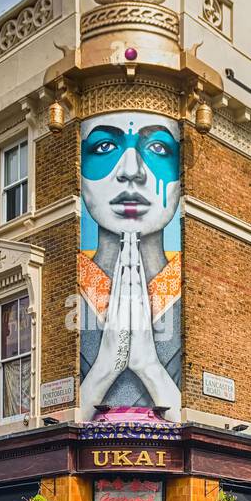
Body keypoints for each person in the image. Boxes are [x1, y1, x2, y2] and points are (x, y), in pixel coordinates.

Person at [77, 110, 184, 419]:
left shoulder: (199, 293)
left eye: (158, 149)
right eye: (105, 147)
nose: (131, 170)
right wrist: (104, 370)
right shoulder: (61, 286)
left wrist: (149, 367)